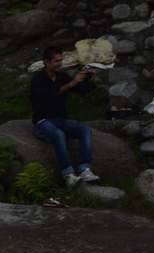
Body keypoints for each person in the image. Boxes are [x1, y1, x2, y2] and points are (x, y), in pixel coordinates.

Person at [31, 46, 100, 186]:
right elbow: (50, 95)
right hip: (43, 121)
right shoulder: (38, 79)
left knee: (84, 129)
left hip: (61, 119)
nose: (60, 64)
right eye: (56, 61)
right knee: (58, 134)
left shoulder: (62, 76)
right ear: (46, 62)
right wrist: (73, 82)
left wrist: (89, 78)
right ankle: (68, 174)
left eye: (61, 60)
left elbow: (81, 90)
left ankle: (84, 169)